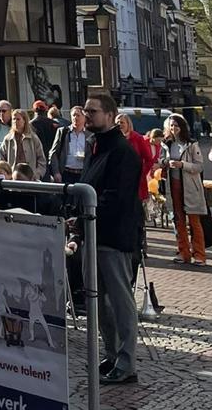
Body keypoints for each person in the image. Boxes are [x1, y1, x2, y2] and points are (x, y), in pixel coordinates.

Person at [83, 92, 142, 387]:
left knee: (120, 302)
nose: (87, 115)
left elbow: (117, 197)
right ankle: (111, 353)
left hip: (114, 236)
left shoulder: (122, 152)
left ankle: (127, 362)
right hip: (92, 234)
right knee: (98, 303)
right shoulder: (96, 147)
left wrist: (86, 214)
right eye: (85, 110)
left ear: (109, 115)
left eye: (92, 111)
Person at [162, 114, 207, 266]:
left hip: (189, 186)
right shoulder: (167, 144)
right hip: (172, 185)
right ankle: (183, 252)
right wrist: (164, 163)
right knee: (178, 220)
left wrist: (183, 165)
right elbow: (161, 160)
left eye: (176, 126)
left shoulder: (191, 144)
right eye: (171, 126)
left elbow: (199, 166)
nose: (174, 129)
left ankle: (199, 254)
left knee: (194, 221)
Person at [47, 106, 90, 184]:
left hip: (84, 174)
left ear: (84, 118)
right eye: (73, 115)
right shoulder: (63, 132)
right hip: (66, 173)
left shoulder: (90, 134)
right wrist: (56, 172)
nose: (75, 118)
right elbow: (53, 153)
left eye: (78, 115)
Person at [3, 108, 46, 180]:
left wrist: (37, 174)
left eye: (18, 119)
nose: (15, 122)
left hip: (30, 178)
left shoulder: (33, 138)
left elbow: (41, 160)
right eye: (13, 119)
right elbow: (2, 159)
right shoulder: (8, 139)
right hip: (13, 178)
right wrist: (6, 174)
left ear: (24, 121)